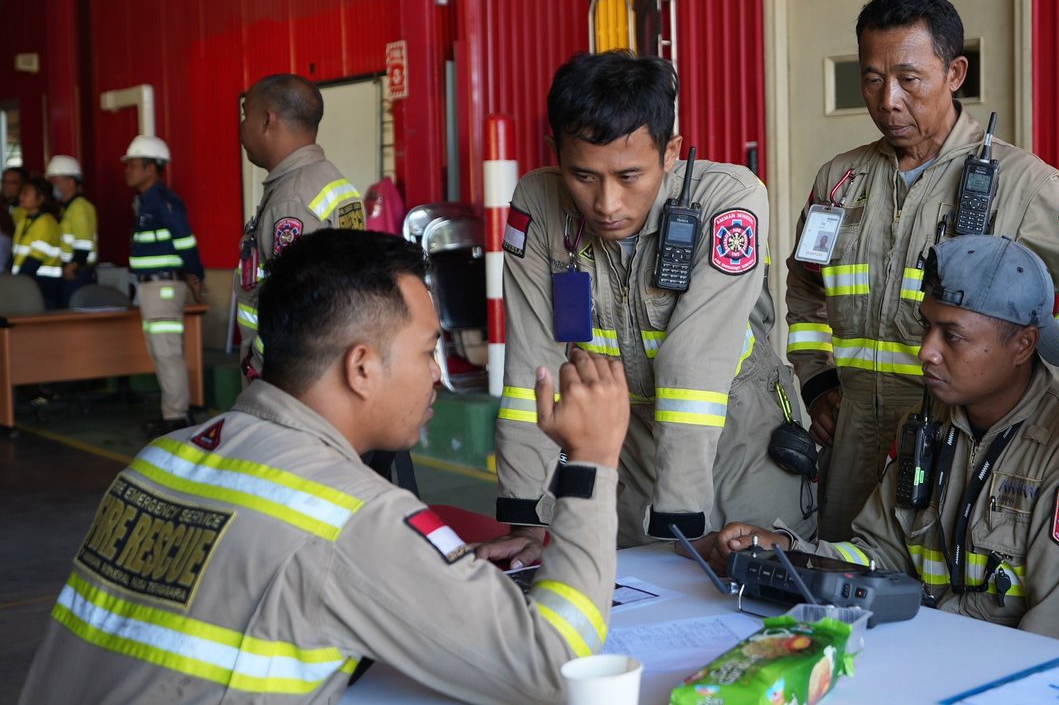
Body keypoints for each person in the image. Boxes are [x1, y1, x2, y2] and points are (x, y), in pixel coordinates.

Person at [19, 229, 627, 705]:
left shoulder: (164, 457)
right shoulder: (350, 517)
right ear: (361, 367)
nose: (438, 375)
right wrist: (591, 461)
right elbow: (555, 666)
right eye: (425, 352)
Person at [788, 0, 1059, 538]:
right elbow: (806, 290)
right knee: (844, 581)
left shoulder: (1022, 184)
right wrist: (818, 383)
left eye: (909, 79)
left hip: (960, 445)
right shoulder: (839, 181)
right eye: (872, 79)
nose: (887, 100)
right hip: (850, 444)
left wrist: (1047, 381)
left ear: (955, 74)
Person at [703, 237, 1059, 649]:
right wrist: (791, 553)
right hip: (922, 653)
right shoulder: (931, 423)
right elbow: (878, 554)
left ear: (1023, 344)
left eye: (952, 336)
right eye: (927, 328)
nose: (926, 352)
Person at [485, 50, 816, 563]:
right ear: (555, 152)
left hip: (740, 442)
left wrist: (681, 518)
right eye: (584, 176)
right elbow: (533, 369)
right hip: (630, 454)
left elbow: (694, 366)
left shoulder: (729, 201)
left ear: (671, 153)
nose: (607, 204)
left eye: (629, 176)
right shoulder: (538, 205)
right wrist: (527, 520)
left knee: (759, 596)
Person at [235, 73, 366, 377]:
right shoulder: (331, 180)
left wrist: (258, 365)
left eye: (246, 114)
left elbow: (294, 305)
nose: (242, 127)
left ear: (268, 120)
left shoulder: (291, 200)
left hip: (286, 374)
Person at [123, 135, 206, 435]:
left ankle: (176, 417)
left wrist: (197, 277)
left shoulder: (163, 202)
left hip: (163, 288)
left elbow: (186, 243)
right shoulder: (146, 203)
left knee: (166, 352)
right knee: (160, 351)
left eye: (133, 165)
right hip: (151, 288)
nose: (127, 170)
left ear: (151, 168)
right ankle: (172, 413)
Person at [46, 154, 98, 303]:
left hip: (77, 272)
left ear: (70, 182)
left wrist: (74, 265)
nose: (53, 187)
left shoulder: (79, 207)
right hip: (70, 270)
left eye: (55, 182)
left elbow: (83, 241)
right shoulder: (66, 208)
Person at [12, 176, 64, 307]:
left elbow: (34, 260)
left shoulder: (46, 223)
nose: (21, 196)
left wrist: (15, 282)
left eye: (26, 193)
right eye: (21, 192)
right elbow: (15, 254)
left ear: (41, 199)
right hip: (27, 283)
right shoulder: (25, 220)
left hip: (44, 285)